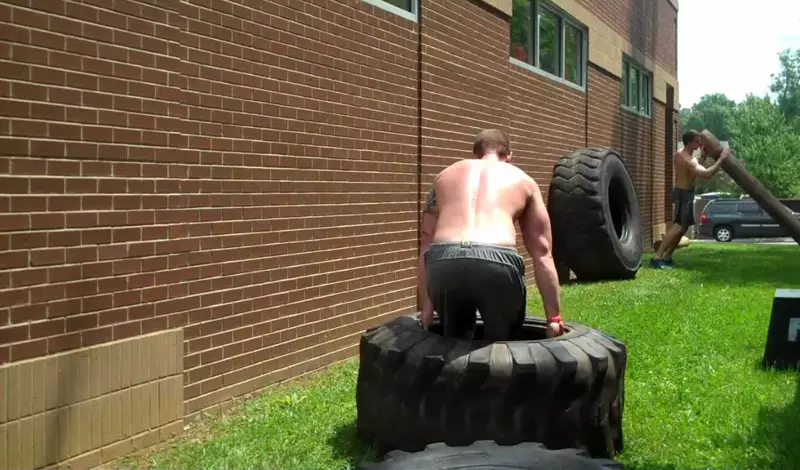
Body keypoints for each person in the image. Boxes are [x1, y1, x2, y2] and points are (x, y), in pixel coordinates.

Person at [416, 129, 564, 341]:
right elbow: (542, 253)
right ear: (509, 155)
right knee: (503, 347)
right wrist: (554, 317)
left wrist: (427, 309)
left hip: (444, 258)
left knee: (453, 344)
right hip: (496, 259)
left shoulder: (443, 177)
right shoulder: (523, 180)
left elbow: (426, 248)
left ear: (475, 153)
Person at [650, 129, 730, 268]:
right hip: (683, 194)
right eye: (698, 140)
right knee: (678, 226)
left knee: (683, 227)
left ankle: (667, 256)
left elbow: (691, 172)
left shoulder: (684, 155)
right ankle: (657, 258)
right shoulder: (686, 158)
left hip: (685, 193)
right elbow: (707, 174)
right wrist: (722, 158)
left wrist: (703, 158)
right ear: (691, 142)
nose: (700, 143)